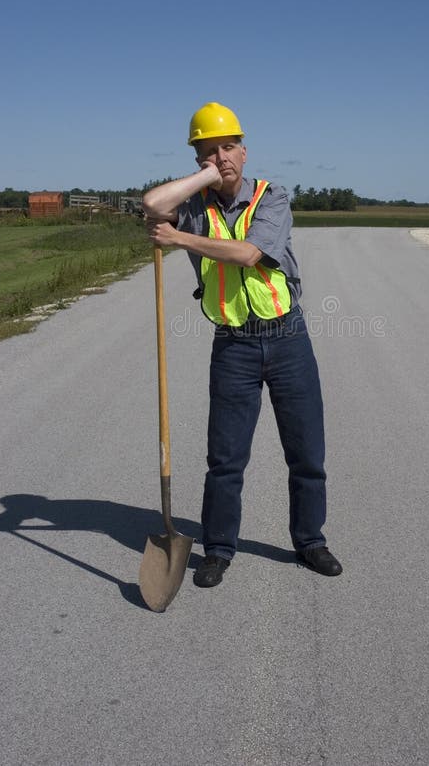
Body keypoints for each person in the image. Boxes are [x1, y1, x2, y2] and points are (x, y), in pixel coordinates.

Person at [143, 102, 342, 588]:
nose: (222, 157)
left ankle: (310, 541)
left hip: (287, 338)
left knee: (306, 452)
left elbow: (250, 254)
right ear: (198, 161)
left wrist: (181, 241)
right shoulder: (194, 205)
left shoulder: (272, 198)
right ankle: (218, 549)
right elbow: (151, 206)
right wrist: (203, 177)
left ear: (245, 150)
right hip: (232, 345)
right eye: (209, 152)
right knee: (225, 458)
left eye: (229, 147)